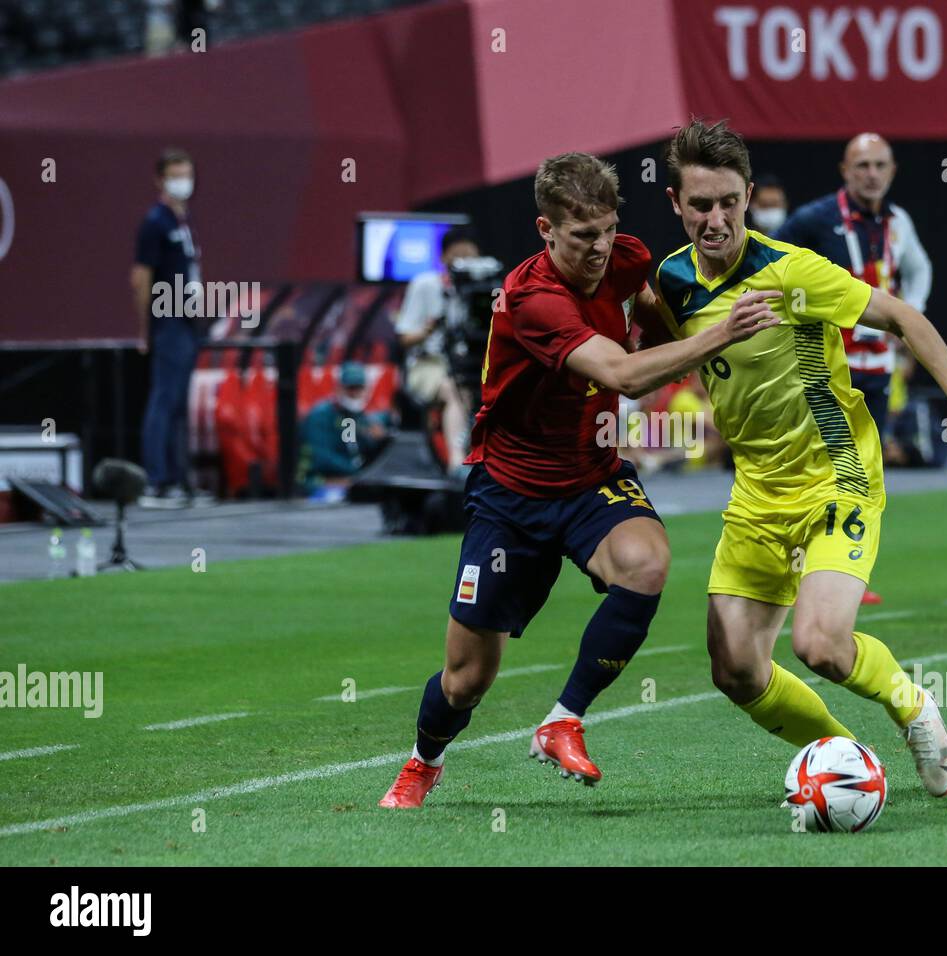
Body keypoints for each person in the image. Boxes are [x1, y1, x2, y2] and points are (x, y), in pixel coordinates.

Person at [378, 152, 780, 808]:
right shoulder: (535, 299)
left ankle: (563, 718)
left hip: (590, 477)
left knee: (647, 564)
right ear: (545, 229)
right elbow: (620, 374)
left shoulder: (623, 256)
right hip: (508, 494)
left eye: (606, 229)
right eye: (581, 236)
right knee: (465, 681)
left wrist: (717, 365)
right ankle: (425, 760)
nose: (598, 248)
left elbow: (650, 312)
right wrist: (722, 336)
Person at [643, 119, 947, 798]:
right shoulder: (671, 281)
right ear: (676, 203)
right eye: (700, 204)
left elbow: (906, 317)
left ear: (750, 195)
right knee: (734, 670)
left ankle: (911, 705)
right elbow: (640, 354)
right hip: (757, 494)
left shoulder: (793, 272)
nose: (716, 218)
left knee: (818, 644)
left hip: (836, 477)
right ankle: (846, 759)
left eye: (730, 201)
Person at [778, 133, 932, 604]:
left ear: (893, 170)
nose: (871, 173)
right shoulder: (812, 219)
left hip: (877, 362)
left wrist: (908, 318)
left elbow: (920, 269)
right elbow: (771, 266)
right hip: (824, 363)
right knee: (816, 464)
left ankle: (845, 569)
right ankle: (793, 565)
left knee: (865, 468)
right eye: (862, 165)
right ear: (844, 170)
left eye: (879, 165)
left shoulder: (897, 221)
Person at [131, 147, 208, 508]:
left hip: (188, 319)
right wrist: (144, 327)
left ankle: (179, 480)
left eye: (187, 173)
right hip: (168, 317)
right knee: (163, 399)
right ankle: (155, 481)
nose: (183, 181)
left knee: (179, 403)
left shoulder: (183, 221)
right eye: (176, 174)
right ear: (160, 180)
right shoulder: (155, 222)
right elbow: (141, 277)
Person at [393, 226, 477, 470]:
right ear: (442, 257)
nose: (463, 262)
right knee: (453, 389)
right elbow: (404, 338)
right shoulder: (425, 285)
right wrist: (427, 331)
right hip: (427, 366)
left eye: (469, 256)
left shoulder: (484, 287)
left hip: (471, 364)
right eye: (457, 256)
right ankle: (456, 464)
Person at [298, 361, 391, 495]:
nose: (354, 393)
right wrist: (359, 474)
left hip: (352, 481)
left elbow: (355, 449)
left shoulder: (356, 416)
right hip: (318, 481)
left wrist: (379, 439)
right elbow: (321, 458)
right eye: (350, 388)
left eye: (359, 388)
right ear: (338, 388)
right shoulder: (320, 415)